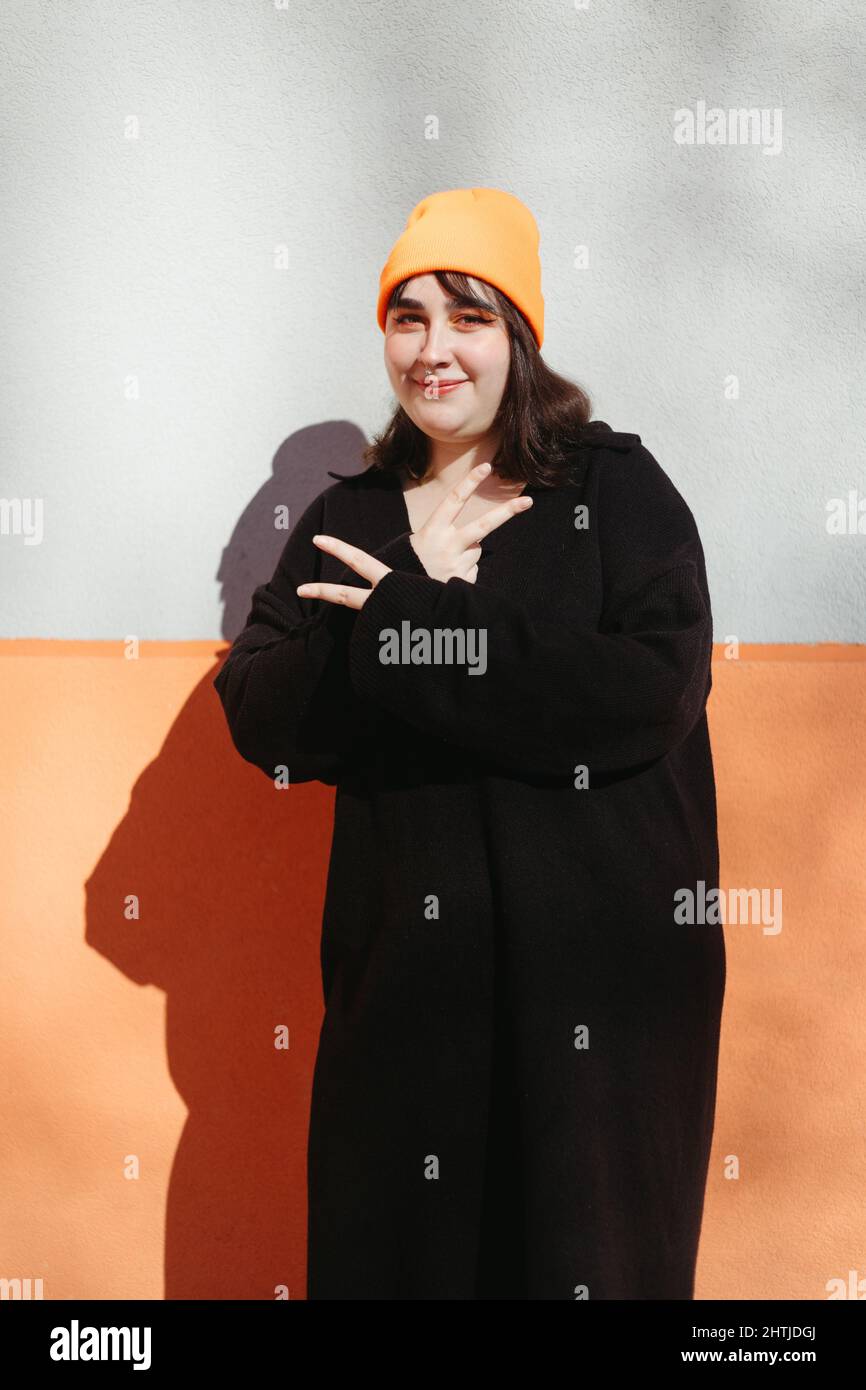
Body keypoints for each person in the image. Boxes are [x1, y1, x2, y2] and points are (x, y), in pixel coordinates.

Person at [213, 187, 726, 1300]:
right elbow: (261, 714)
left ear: (519, 336)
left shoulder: (610, 490)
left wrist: (412, 622)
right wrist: (406, 592)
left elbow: (647, 689)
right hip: (408, 995)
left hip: (599, 1000)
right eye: (408, 315)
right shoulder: (350, 518)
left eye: (469, 316)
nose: (433, 350)